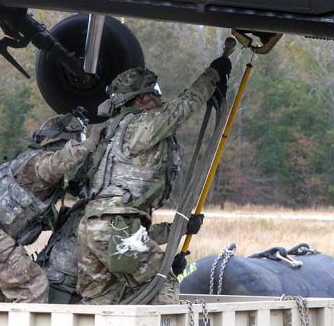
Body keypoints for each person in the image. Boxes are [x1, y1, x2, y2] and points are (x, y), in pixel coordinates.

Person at [75, 57, 231, 305]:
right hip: (118, 230)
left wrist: (177, 230)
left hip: (93, 229)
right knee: (163, 284)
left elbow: (127, 221)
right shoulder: (141, 125)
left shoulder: (111, 134)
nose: (159, 99)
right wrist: (213, 76)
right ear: (139, 99)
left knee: (101, 302)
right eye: (154, 93)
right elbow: (182, 108)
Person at [0, 111, 102, 303]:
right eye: (76, 142)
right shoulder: (36, 163)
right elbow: (57, 164)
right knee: (33, 287)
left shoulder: (39, 173)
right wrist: (91, 143)